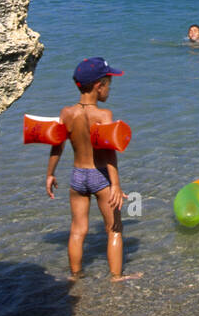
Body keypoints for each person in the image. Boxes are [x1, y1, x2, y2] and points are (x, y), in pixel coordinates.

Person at [45, 58, 137, 280]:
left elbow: (57, 145)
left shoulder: (66, 113)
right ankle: (116, 277)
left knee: (77, 230)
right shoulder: (103, 116)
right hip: (99, 176)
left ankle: (75, 275)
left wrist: (49, 174)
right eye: (109, 84)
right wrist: (115, 185)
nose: (109, 89)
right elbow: (108, 152)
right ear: (99, 86)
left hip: (77, 176)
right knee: (114, 229)